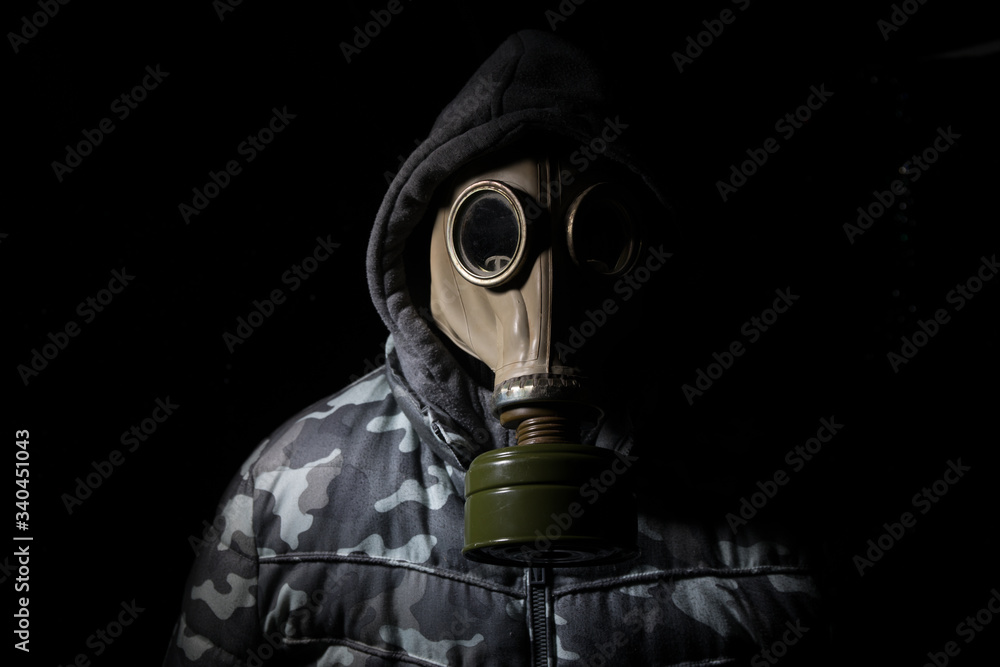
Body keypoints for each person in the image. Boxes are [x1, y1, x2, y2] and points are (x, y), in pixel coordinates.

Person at [163, 29, 826, 666]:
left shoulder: (769, 491)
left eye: (595, 238)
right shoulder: (290, 488)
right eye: (490, 236)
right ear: (422, 247)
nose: (543, 292)